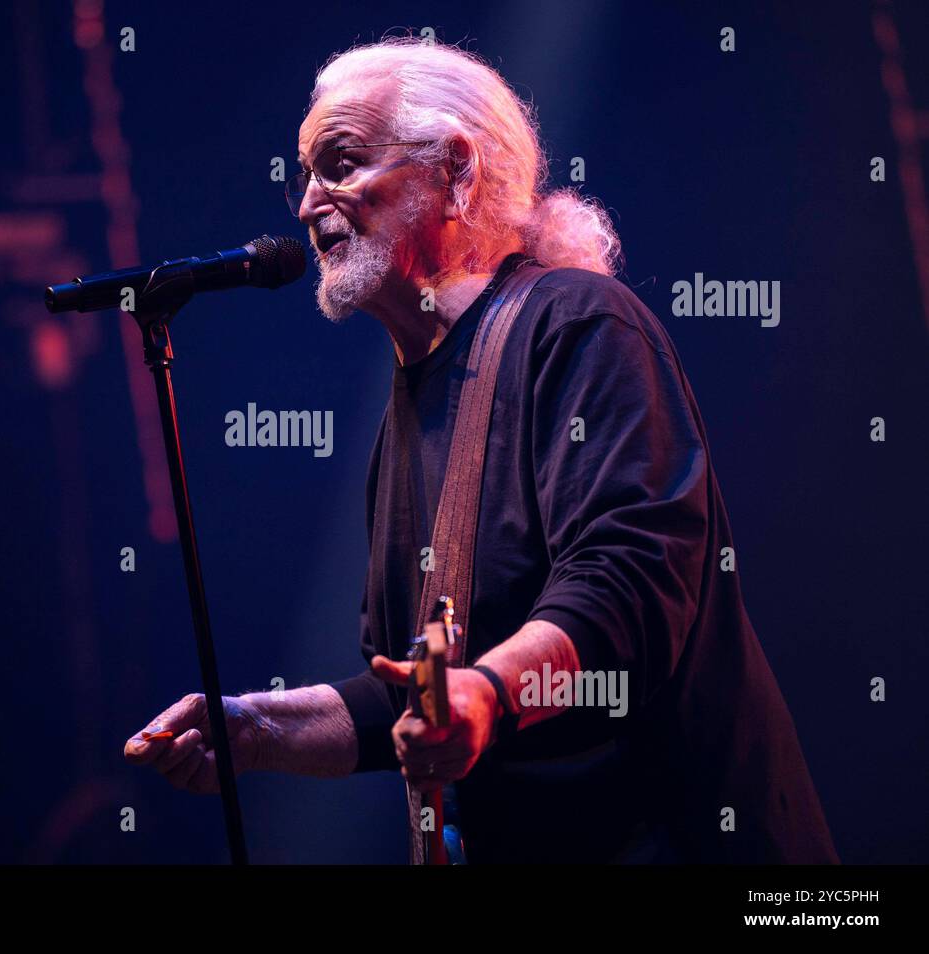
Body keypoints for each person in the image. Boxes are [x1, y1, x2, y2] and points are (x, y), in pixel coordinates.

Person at [125, 37, 837, 863]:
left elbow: (631, 579)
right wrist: (255, 729)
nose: (308, 203)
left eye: (342, 163)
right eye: (305, 174)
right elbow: (412, 688)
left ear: (456, 171)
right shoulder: (410, 402)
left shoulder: (577, 323)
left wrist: (491, 695)